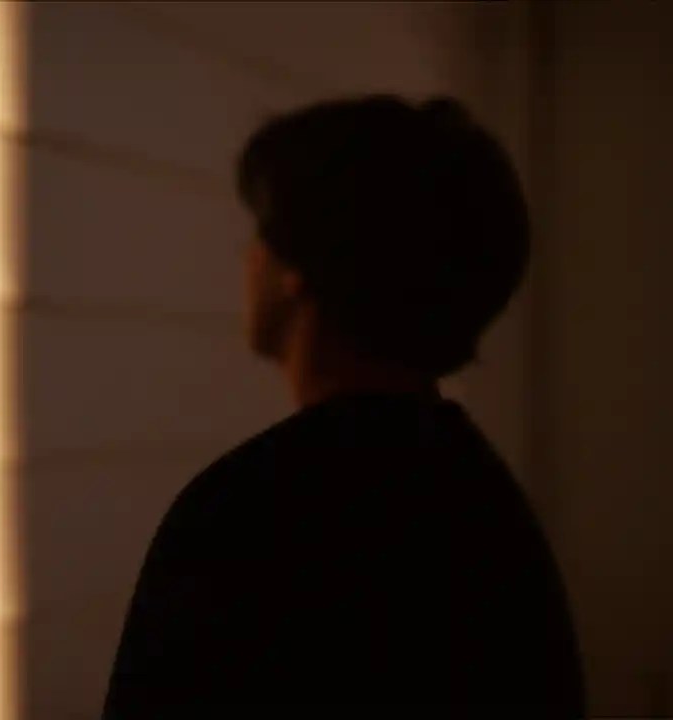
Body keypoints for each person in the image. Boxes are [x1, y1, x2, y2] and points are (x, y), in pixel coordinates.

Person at [102, 95, 585, 718]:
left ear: (296, 267)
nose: (247, 259)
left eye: (260, 233)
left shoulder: (247, 515)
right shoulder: (487, 508)